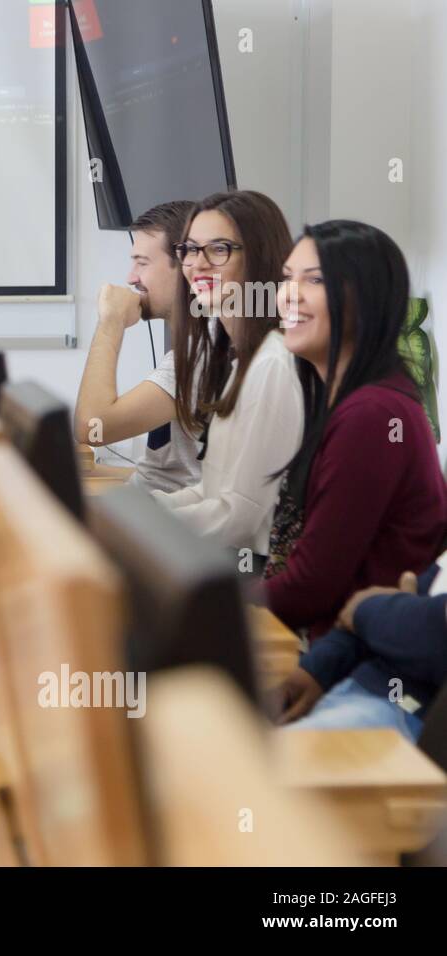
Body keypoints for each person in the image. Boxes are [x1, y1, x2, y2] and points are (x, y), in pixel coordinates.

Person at [262, 221, 447, 635]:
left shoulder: (372, 415)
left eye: (315, 280)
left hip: (358, 663)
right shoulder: (356, 399)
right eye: (287, 278)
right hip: (337, 650)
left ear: (366, 299)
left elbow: (310, 588)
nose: (290, 294)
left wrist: (216, 602)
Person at [150, 191, 304, 560]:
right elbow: (212, 491)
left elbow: (239, 517)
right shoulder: (237, 361)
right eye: (189, 249)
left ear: (260, 257)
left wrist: (142, 528)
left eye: (218, 249)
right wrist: (136, 511)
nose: (196, 264)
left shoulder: (273, 363)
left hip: (252, 569)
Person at [74, 200, 201, 493]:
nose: (131, 278)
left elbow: (94, 427)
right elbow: (167, 478)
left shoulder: (199, 357)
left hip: (178, 531)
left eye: (142, 263)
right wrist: (82, 469)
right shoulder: (190, 348)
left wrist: (111, 322)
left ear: (185, 269)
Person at [273, 556, 446, 744]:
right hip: (366, 688)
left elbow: (431, 633)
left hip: (403, 711)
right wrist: (318, 668)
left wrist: (365, 607)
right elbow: (405, 614)